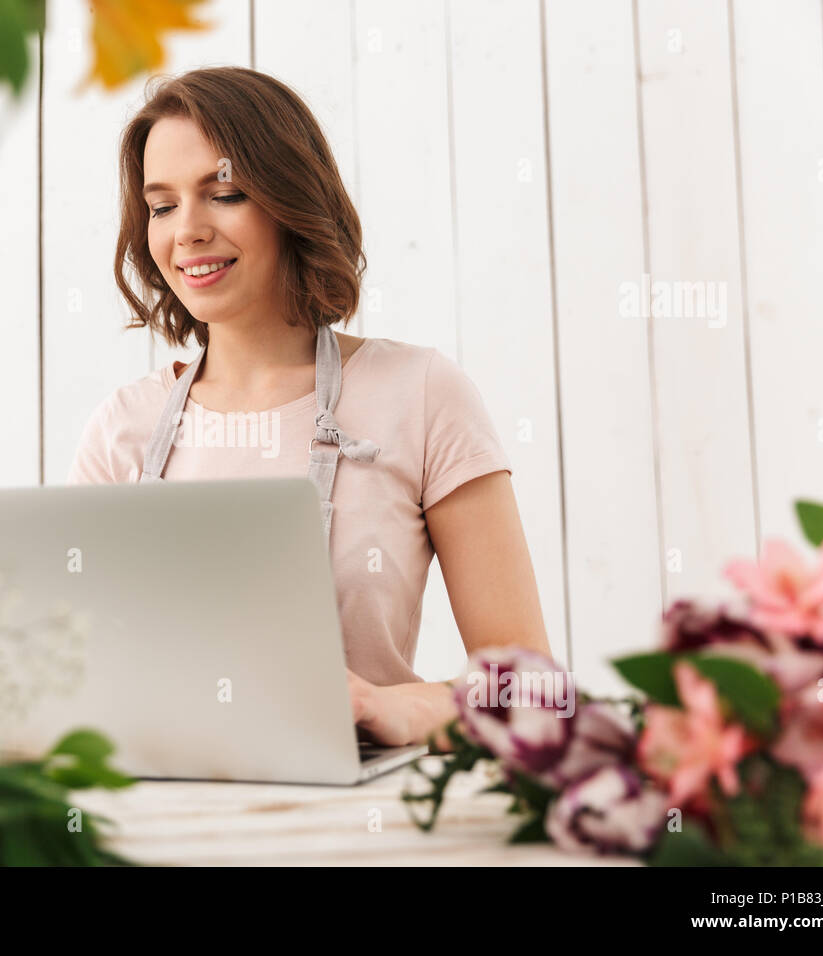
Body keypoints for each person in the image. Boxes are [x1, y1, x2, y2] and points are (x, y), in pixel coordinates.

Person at [67, 67, 551, 749]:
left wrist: (405, 708)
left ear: (289, 198)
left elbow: (531, 690)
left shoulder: (420, 393)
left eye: (224, 193)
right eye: (162, 205)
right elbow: (74, 682)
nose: (188, 231)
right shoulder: (122, 428)